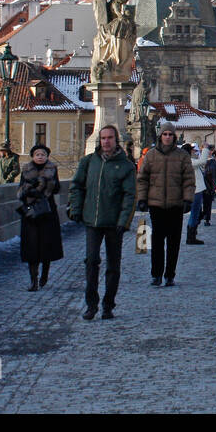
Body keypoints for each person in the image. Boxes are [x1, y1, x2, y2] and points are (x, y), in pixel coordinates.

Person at [68, 125, 136, 320]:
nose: (106, 141)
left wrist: (124, 221)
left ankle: (108, 304)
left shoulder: (126, 166)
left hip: (114, 223)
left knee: (113, 266)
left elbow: (129, 196)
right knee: (91, 261)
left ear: (116, 140)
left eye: (110, 138)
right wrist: (76, 209)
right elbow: (76, 186)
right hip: (92, 220)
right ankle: (91, 304)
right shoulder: (89, 162)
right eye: (103, 138)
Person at [136, 122, 195, 287]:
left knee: (174, 241)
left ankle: (170, 274)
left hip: (176, 204)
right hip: (156, 204)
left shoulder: (182, 156)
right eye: (165, 134)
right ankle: (156, 274)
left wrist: (188, 199)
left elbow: (189, 180)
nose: (167, 137)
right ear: (160, 136)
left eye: (170, 134)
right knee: (157, 241)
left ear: (174, 137)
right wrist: (142, 199)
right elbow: (142, 179)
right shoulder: (151, 155)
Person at [16, 142, 64, 291]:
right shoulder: (26, 170)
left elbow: (57, 189)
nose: (40, 157)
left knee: (46, 246)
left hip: (47, 211)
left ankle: (44, 275)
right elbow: (20, 191)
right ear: (33, 156)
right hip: (31, 213)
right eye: (37, 154)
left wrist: (48, 184)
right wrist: (31, 190)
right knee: (32, 247)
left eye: (43, 154)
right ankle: (33, 280)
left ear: (47, 156)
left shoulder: (52, 169)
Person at [187, 143, 210, 246]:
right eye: (193, 151)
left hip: (198, 190)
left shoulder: (192, 160)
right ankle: (191, 237)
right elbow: (203, 161)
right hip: (195, 191)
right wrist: (205, 149)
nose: (195, 152)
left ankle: (192, 235)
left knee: (196, 214)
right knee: (194, 214)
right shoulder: (189, 161)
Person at [200, 142, 216, 227]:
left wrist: (215, 184)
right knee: (199, 203)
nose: (208, 152)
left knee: (208, 203)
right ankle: (200, 216)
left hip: (210, 185)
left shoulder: (214, 162)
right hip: (200, 186)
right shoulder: (200, 160)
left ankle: (207, 219)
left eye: (209, 150)